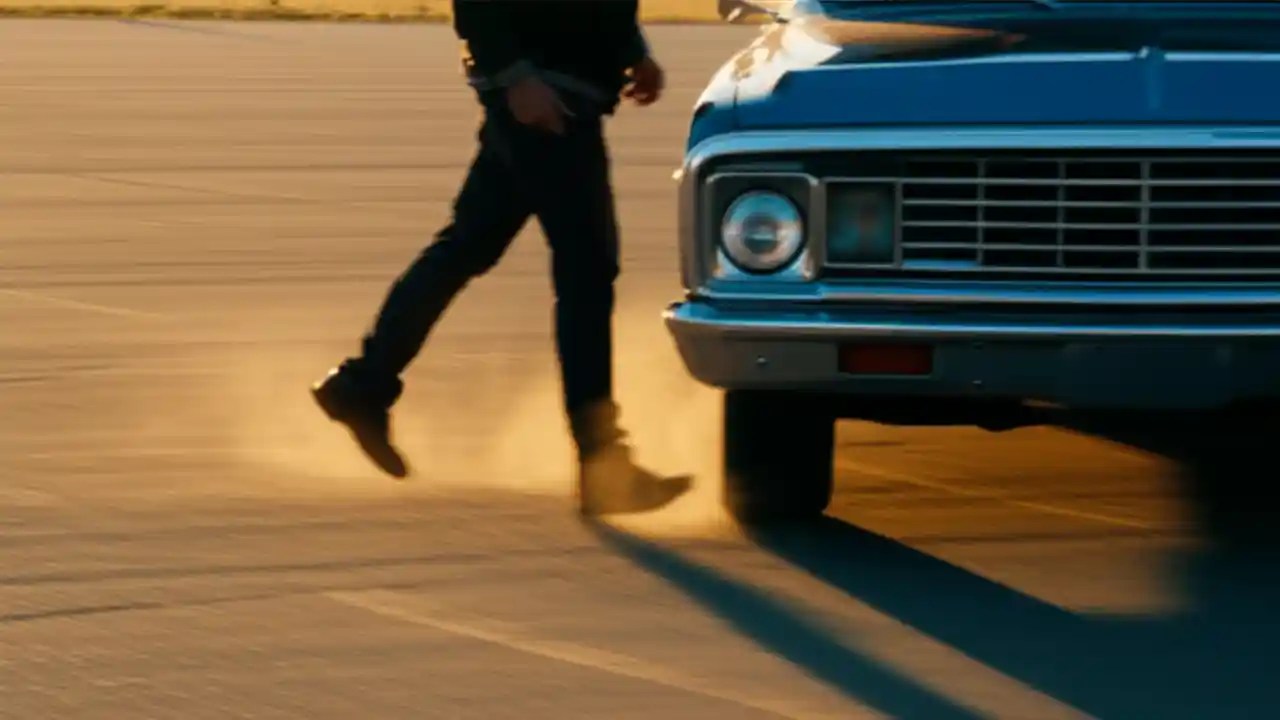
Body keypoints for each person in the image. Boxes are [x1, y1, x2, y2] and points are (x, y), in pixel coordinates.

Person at [311, 0, 691, 516]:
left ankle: (364, 384)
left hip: (557, 94)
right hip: (546, 100)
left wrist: (632, 51)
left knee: (469, 247)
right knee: (587, 273)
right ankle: (604, 465)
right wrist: (515, 79)